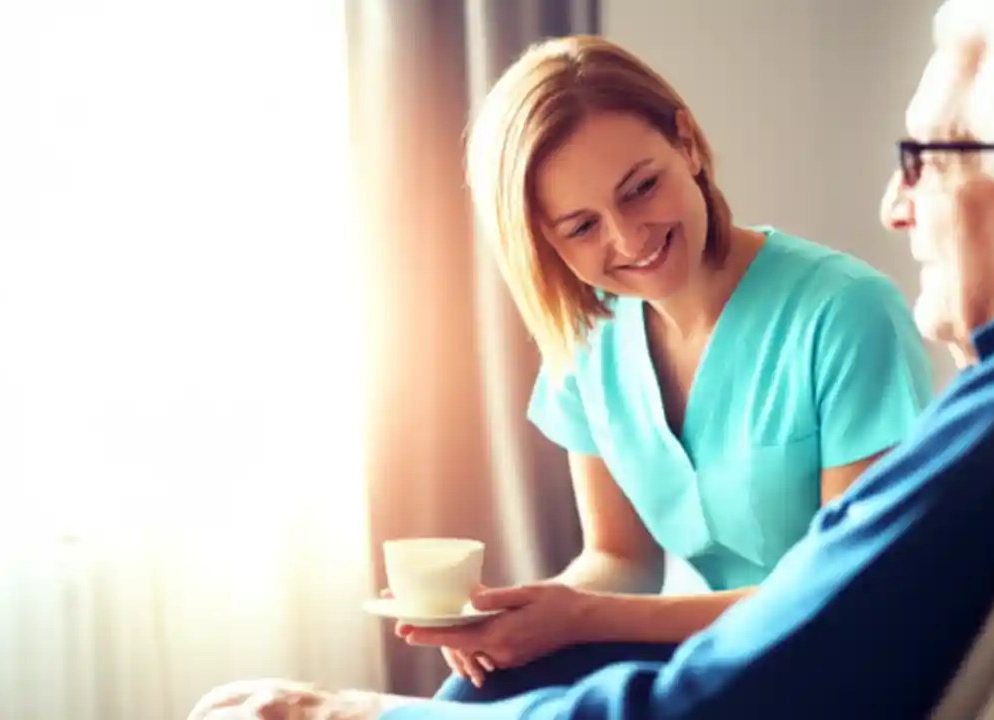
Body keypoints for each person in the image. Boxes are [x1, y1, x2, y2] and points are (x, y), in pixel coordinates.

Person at [188, 0, 994, 717]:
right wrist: (550, 619)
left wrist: (346, 715)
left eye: (924, 160)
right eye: (577, 225)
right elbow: (644, 573)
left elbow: (751, 680)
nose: (893, 208)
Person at [394, 34, 930, 701]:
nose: (630, 239)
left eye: (641, 188)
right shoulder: (587, 339)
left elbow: (849, 593)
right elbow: (621, 561)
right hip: (695, 653)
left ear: (689, 144)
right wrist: (519, 616)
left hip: (830, 661)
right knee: (473, 698)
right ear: (545, 242)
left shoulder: (847, 312)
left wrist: (584, 619)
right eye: (581, 227)